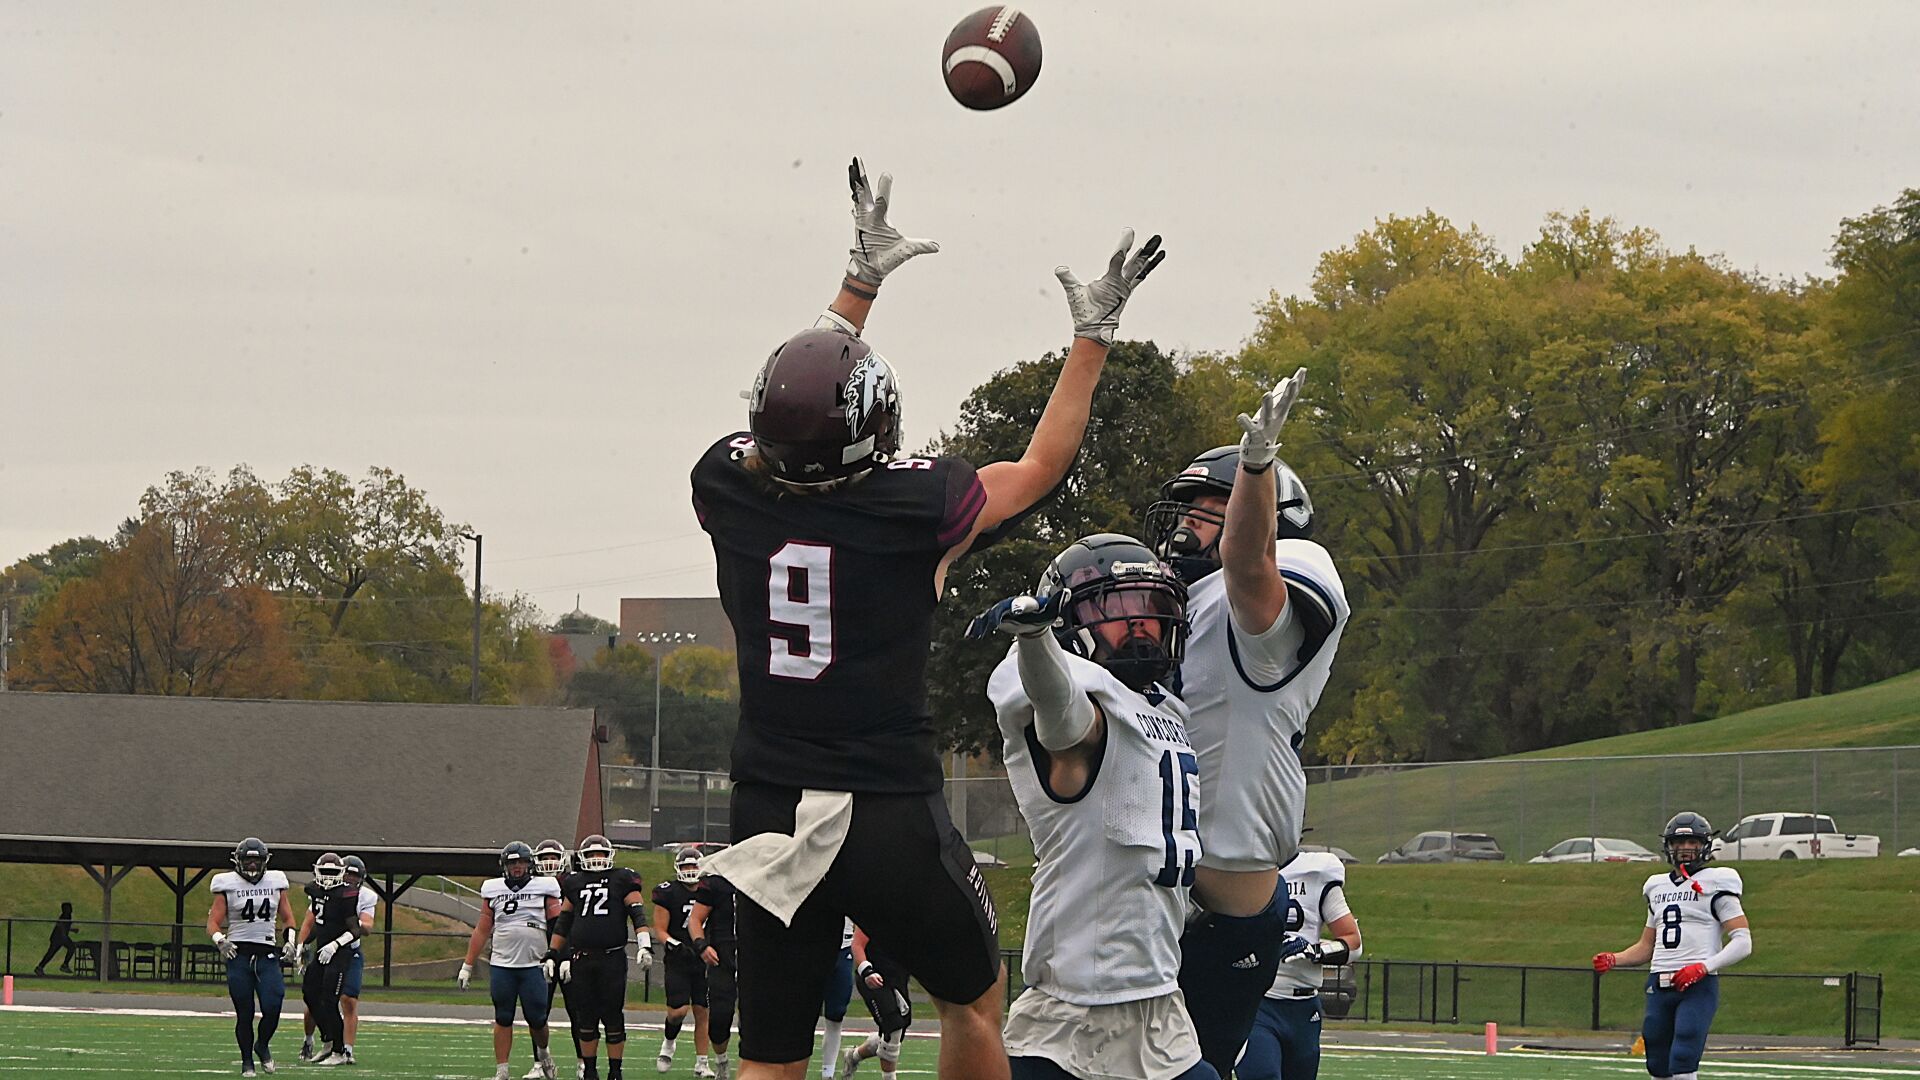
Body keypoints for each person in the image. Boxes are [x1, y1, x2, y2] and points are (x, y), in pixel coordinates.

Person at [692, 155, 1165, 1080]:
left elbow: (800, 404)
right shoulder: (914, 513)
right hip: (882, 806)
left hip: (770, 804)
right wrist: (1092, 338)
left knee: (773, 1055)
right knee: (973, 1000)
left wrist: (856, 287)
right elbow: (1036, 471)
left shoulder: (725, 486)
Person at [1141, 371, 1351, 1074]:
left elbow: (1252, 573)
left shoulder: (1283, 572)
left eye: (1211, 509)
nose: (1187, 524)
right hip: (1146, 865)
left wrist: (1255, 469)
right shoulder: (1178, 602)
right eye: (1190, 508)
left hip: (1224, 880)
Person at [971, 533, 1215, 1080]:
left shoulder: (1167, 711)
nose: (1141, 622)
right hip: (1073, 1013)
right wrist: (1035, 642)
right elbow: (1066, 723)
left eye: (1150, 607)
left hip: (1161, 1007)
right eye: (1117, 608)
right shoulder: (1091, 704)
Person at [1594, 813, 1754, 1080]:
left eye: (1692, 842)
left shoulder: (1717, 881)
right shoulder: (1656, 886)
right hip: (1659, 982)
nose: (1685, 849)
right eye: (1679, 843)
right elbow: (1647, 946)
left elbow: (1743, 941)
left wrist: (1703, 967)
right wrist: (1615, 958)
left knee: (1683, 1054)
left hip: (1696, 984)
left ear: (1705, 844)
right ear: (1669, 846)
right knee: (1656, 1060)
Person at [1236, 848, 1363, 1080]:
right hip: (1256, 1004)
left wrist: (1315, 950)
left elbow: (1353, 943)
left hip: (1303, 1008)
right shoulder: (1242, 866)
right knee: (1262, 1074)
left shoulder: (1317, 871)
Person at [549, 834, 652, 1080]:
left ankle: (615, 1071)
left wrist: (644, 944)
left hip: (611, 958)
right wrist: (553, 953)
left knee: (613, 1015)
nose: (596, 859)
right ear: (583, 858)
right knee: (586, 1016)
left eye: (600, 854)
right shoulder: (574, 882)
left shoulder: (622, 878)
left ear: (609, 856)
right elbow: (563, 922)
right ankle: (590, 1071)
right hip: (581, 958)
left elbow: (637, 913)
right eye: (592, 854)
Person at [462, 842, 565, 1080]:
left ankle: (544, 1054)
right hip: (502, 964)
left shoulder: (545, 886)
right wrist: (468, 964)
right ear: (504, 866)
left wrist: (556, 955)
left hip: (533, 963)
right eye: (512, 863)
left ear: (530, 864)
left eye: (521, 862)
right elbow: (482, 929)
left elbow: (558, 925)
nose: (517, 867)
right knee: (503, 1016)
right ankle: (502, 1070)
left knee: (537, 1019)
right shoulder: (493, 889)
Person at [207, 838, 298, 1077]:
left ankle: (262, 1045)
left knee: (273, 1005)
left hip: (267, 953)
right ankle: (247, 1061)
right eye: (247, 860)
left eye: (256, 860)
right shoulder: (226, 883)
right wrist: (220, 940)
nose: (252, 865)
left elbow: (288, 918)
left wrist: (290, 941)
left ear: (265, 861)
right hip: (239, 954)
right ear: (237, 861)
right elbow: (213, 921)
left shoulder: (276, 881)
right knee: (244, 1012)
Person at [298, 852, 367, 1068]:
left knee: (329, 999)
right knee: (309, 992)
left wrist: (335, 944)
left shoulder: (347, 894)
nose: (327, 877)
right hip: (321, 951)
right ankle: (328, 1039)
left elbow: (355, 930)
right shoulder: (313, 889)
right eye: (324, 872)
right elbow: (319, 923)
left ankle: (339, 1050)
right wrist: (303, 944)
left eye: (332, 872)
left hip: (340, 953)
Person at [653, 849, 714, 1076]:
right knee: (678, 1011)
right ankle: (669, 1043)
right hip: (678, 959)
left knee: (702, 1010)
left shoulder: (709, 890)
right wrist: (672, 943)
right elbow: (659, 928)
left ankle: (702, 1062)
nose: (690, 871)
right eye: (686, 867)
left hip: (703, 957)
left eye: (694, 866)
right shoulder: (668, 892)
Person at [836, 924, 912, 1080]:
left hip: (897, 978)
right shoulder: (876, 908)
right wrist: (866, 970)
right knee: (893, 1025)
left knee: (896, 1031)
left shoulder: (909, 913)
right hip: (873, 977)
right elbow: (857, 944)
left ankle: (854, 1056)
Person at [686, 870, 742, 1080]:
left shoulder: (764, 875)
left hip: (756, 956)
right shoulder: (718, 882)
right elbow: (695, 919)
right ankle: (722, 1060)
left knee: (755, 1018)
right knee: (719, 1017)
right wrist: (702, 946)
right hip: (722, 956)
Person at [529, 838, 575, 1080]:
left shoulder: (574, 884)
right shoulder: (532, 886)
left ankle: (582, 1063)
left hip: (568, 954)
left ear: (563, 860)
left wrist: (568, 954)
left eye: (553, 858)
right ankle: (539, 1063)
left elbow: (574, 923)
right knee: (538, 1011)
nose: (549, 863)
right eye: (544, 859)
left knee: (577, 1010)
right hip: (540, 954)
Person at [818, 919, 856, 1080]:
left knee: (836, 1015)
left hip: (844, 948)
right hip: (814, 948)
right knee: (802, 1015)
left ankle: (828, 1074)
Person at [33, 900, 76, 975]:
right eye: (69, 908)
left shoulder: (67, 916)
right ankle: (64, 965)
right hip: (58, 938)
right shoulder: (65, 915)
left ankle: (40, 967)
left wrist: (72, 930)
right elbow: (60, 925)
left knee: (52, 953)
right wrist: (64, 936)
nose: (71, 909)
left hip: (60, 937)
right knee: (70, 947)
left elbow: (64, 926)